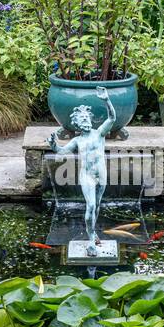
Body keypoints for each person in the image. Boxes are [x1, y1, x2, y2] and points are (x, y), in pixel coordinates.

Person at [48, 87, 115, 253]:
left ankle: (93, 232)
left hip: (102, 174)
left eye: (86, 117)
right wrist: (54, 145)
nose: (85, 120)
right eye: (81, 119)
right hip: (87, 176)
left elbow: (112, 118)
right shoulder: (77, 140)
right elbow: (63, 152)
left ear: (90, 119)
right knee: (90, 206)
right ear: (77, 123)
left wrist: (107, 100)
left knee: (97, 205)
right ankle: (91, 239)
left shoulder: (99, 133)